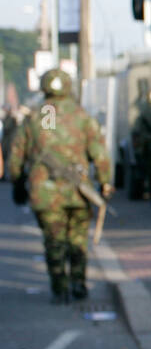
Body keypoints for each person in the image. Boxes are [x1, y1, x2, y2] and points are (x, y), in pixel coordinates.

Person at [8, 70, 112, 302]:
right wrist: (105, 182)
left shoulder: (33, 118)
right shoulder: (83, 117)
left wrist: (17, 182)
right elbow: (100, 153)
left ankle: (60, 287)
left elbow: (16, 156)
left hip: (45, 193)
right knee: (78, 240)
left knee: (54, 241)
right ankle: (79, 283)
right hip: (78, 190)